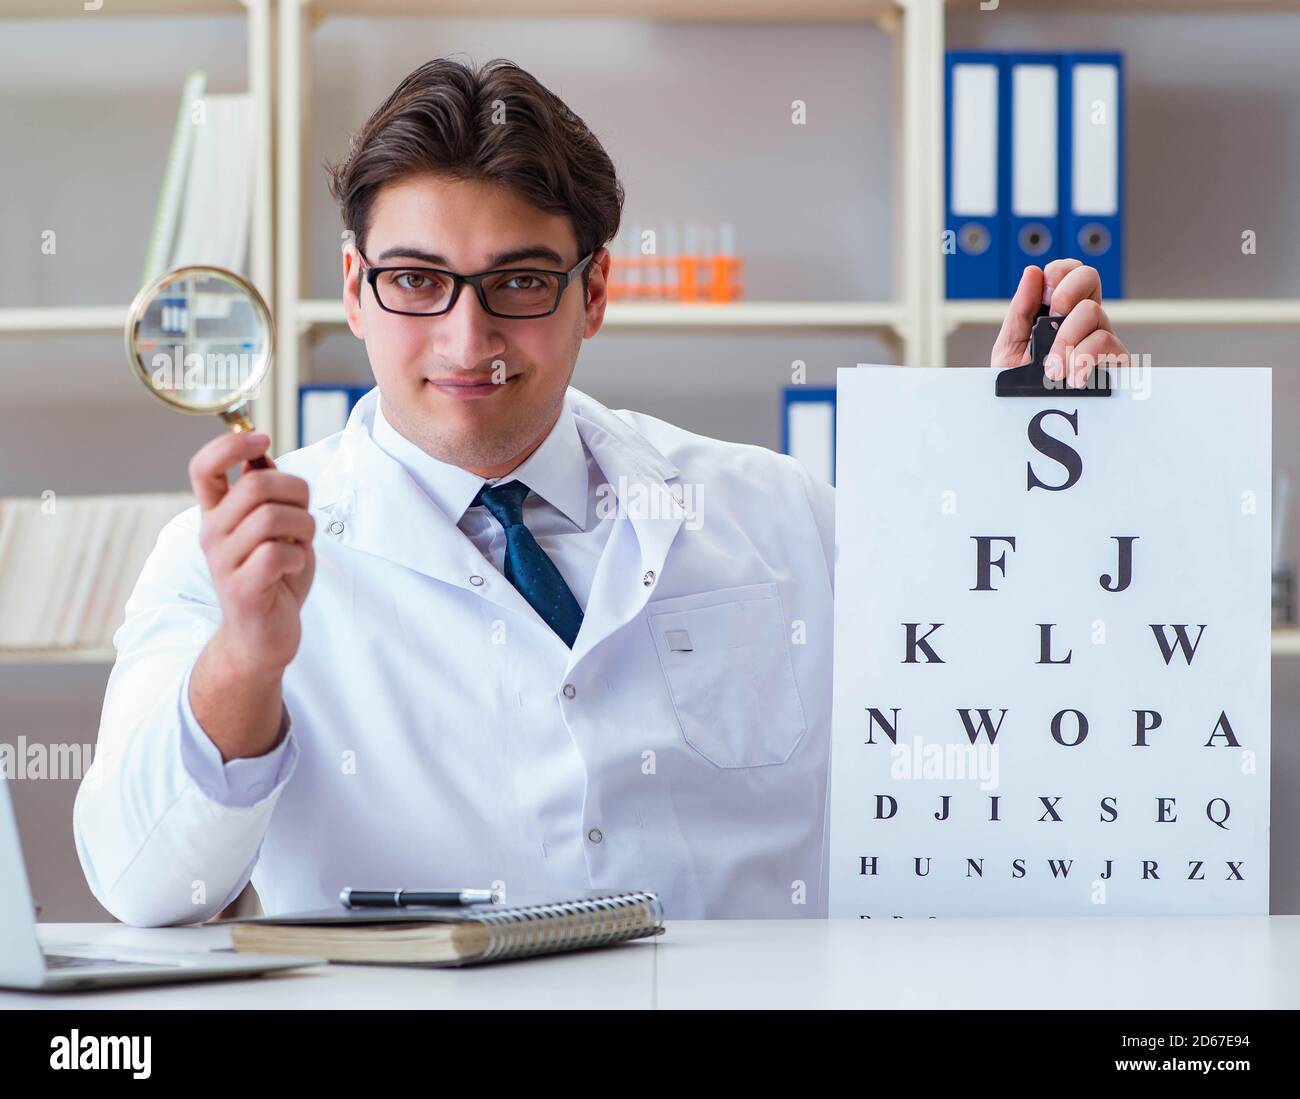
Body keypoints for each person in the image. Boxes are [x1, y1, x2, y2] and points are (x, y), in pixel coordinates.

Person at [74, 58, 1130, 926]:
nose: (466, 337)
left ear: (597, 292)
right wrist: (245, 661)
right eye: (415, 280)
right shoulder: (225, 559)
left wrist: (1029, 478)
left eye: (521, 282)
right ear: (355, 290)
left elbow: (1006, 734)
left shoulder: (779, 514)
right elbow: (145, 886)